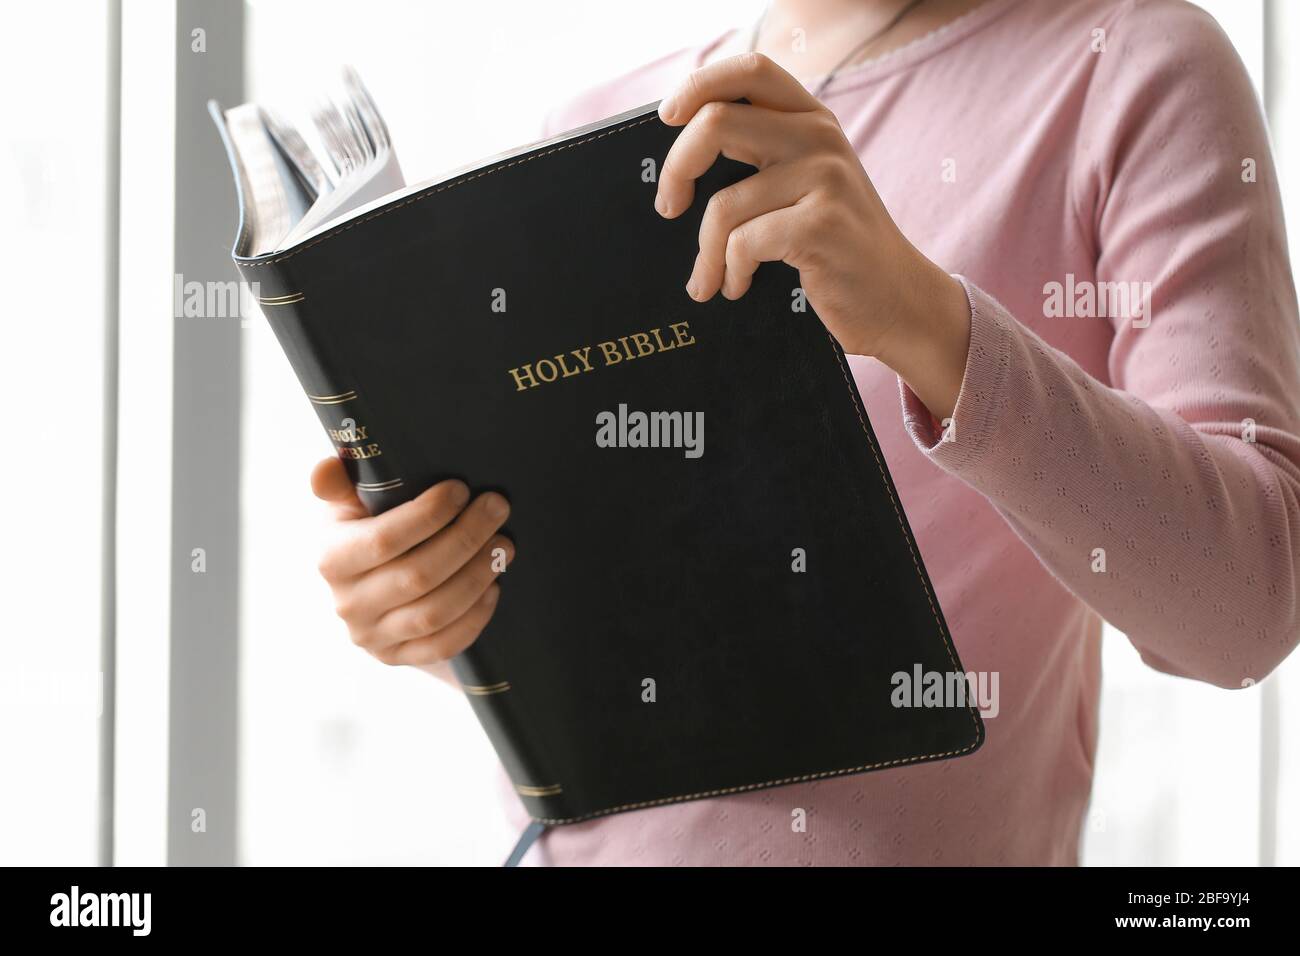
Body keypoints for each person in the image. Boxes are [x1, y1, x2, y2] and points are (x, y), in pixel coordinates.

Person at [309, 0, 1300, 865]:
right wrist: (433, 596)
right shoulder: (600, 132)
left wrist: (924, 318)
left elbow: (1241, 615)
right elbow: (597, 620)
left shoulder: (1129, 68)